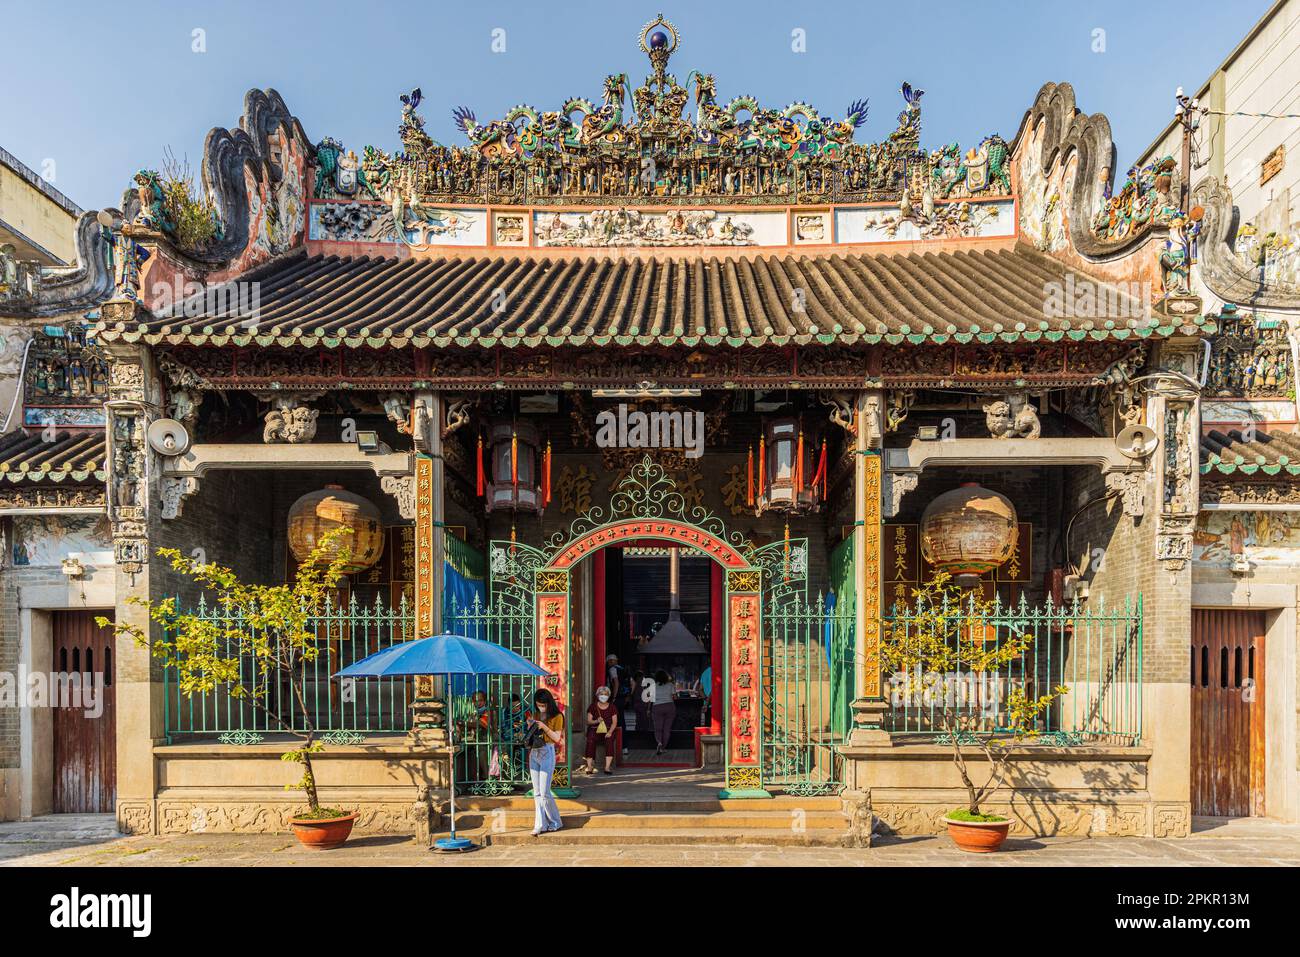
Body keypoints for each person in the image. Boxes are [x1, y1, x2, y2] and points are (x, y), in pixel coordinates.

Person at [527, 688, 565, 836]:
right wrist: (531, 726)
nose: (541, 707)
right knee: (537, 792)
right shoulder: (536, 714)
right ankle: (541, 824)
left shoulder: (557, 716)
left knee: (544, 792)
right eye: (538, 704)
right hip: (534, 752)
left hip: (547, 751)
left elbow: (557, 738)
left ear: (548, 703)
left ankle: (554, 822)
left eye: (543, 704)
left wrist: (544, 727)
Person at [582, 685, 619, 775]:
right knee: (590, 741)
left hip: (608, 730)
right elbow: (589, 721)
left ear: (609, 696)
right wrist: (596, 721)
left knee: (609, 741)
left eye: (605, 694)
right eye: (601, 694)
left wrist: (610, 732)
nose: (603, 696)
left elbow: (614, 722)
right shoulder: (593, 706)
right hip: (594, 729)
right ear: (597, 695)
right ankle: (590, 766)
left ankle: (607, 767)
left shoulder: (612, 707)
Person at [651, 669, 676, 756]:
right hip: (669, 706)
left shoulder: (653, 686)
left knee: (658, 728)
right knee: (667, 729)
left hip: (657, 707)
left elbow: (650, 699)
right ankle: (663, 748)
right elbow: (675, 697)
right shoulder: (670, 685)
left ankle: (659, 743)